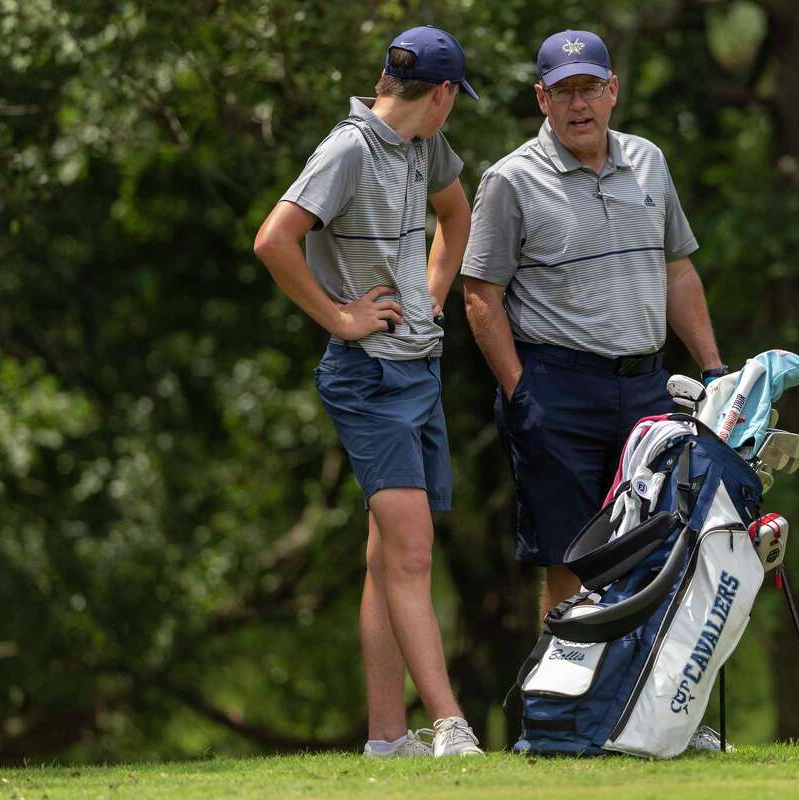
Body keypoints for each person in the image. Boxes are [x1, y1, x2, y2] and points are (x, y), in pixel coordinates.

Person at [253, 26, 483, 758]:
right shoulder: (347, 149)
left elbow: (456, 216)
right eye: (456, 97)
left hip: (418, 365)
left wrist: (431, 296)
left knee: (387, 556)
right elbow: (273, 240)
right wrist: (341, 317)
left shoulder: (425, 147)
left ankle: (388, 738)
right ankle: (450, 724)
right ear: (443, 92)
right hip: (369, 377)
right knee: (413, 554)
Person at [462, 30, 727, 623]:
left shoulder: (649, 162)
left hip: (647, 388)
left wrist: (712, 368)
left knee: (659, 551)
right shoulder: (511, 180)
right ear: (542, 99)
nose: (577, 105)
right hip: (556, 389)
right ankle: (570, 712)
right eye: (563, 92)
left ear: (613, 90)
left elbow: (677, 270)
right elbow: (481, 295)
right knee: (572, 562)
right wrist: (519, 391)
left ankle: (643, 714)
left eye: (589, 89)